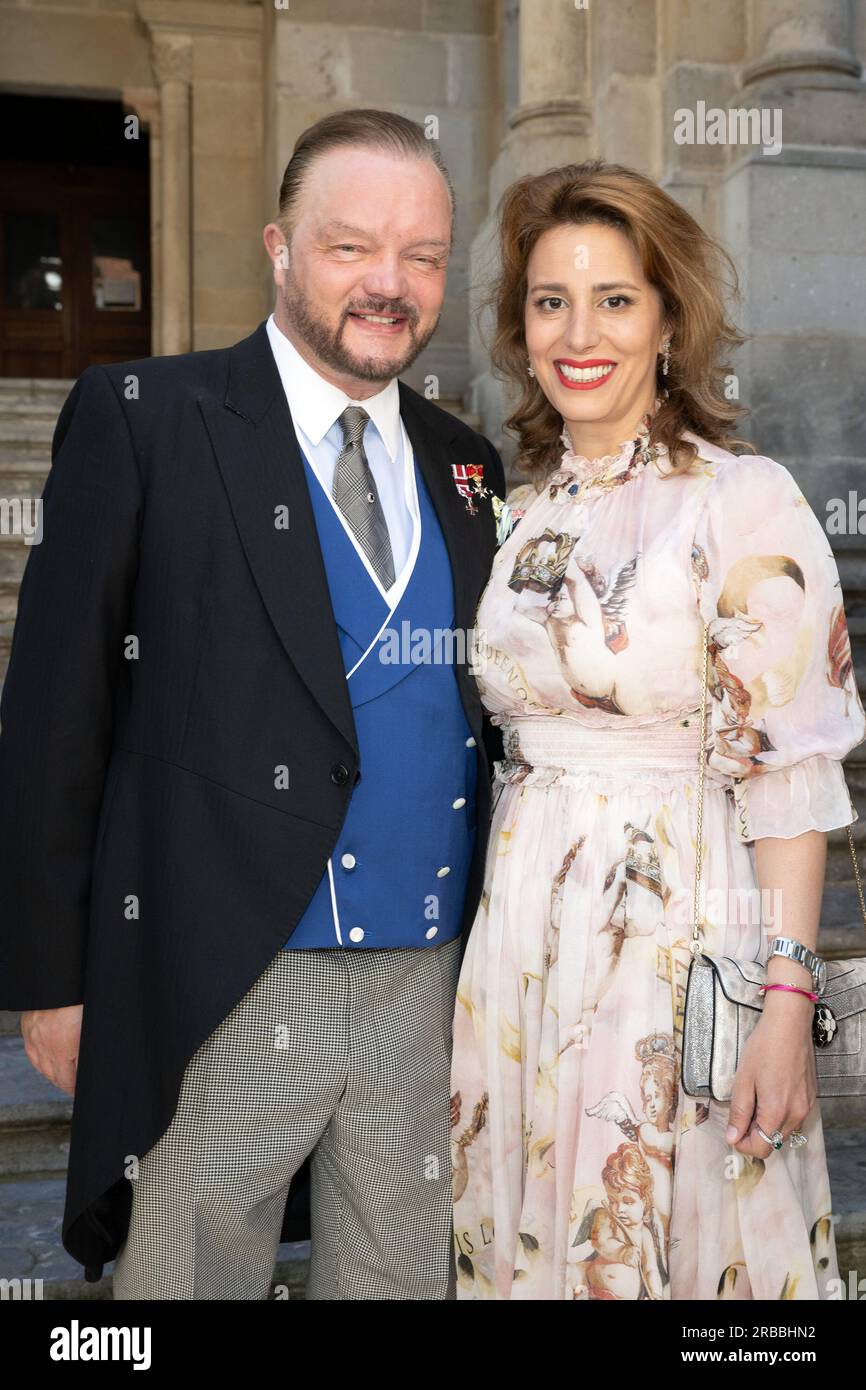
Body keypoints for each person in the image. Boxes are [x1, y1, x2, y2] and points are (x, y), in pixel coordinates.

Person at [0, 107, 506, 1299]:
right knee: (185, 1274)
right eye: (350, 248)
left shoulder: (467, 461)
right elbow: (51, 712)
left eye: (422, 257)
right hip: (219, 966)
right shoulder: (144, 418)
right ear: (278, 249)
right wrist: (55, 977)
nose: (389, 283)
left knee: (395, 1281)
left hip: (424, 976)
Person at [449, 159, 866, 1300]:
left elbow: (788, 781)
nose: (578, 332)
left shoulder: (741, 500)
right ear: (518, 326)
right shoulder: (520, 507)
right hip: (519, 942)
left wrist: (788, 1005)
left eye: (615, 298)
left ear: (669, 321)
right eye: (549, 301)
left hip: (677, 932)